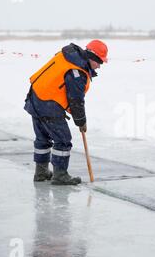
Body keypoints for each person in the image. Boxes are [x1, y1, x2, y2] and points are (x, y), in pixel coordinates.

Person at [24, 40, 108, 185]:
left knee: (43, 138)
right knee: (63, 140)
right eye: (99, 62)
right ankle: (60, 175)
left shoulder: (68, 57)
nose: (99, 66)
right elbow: (75, 100)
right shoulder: (77, 71)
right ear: (92, 57)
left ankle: (41, 172)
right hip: (48, 103)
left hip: (35, 97)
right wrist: (81, 120)